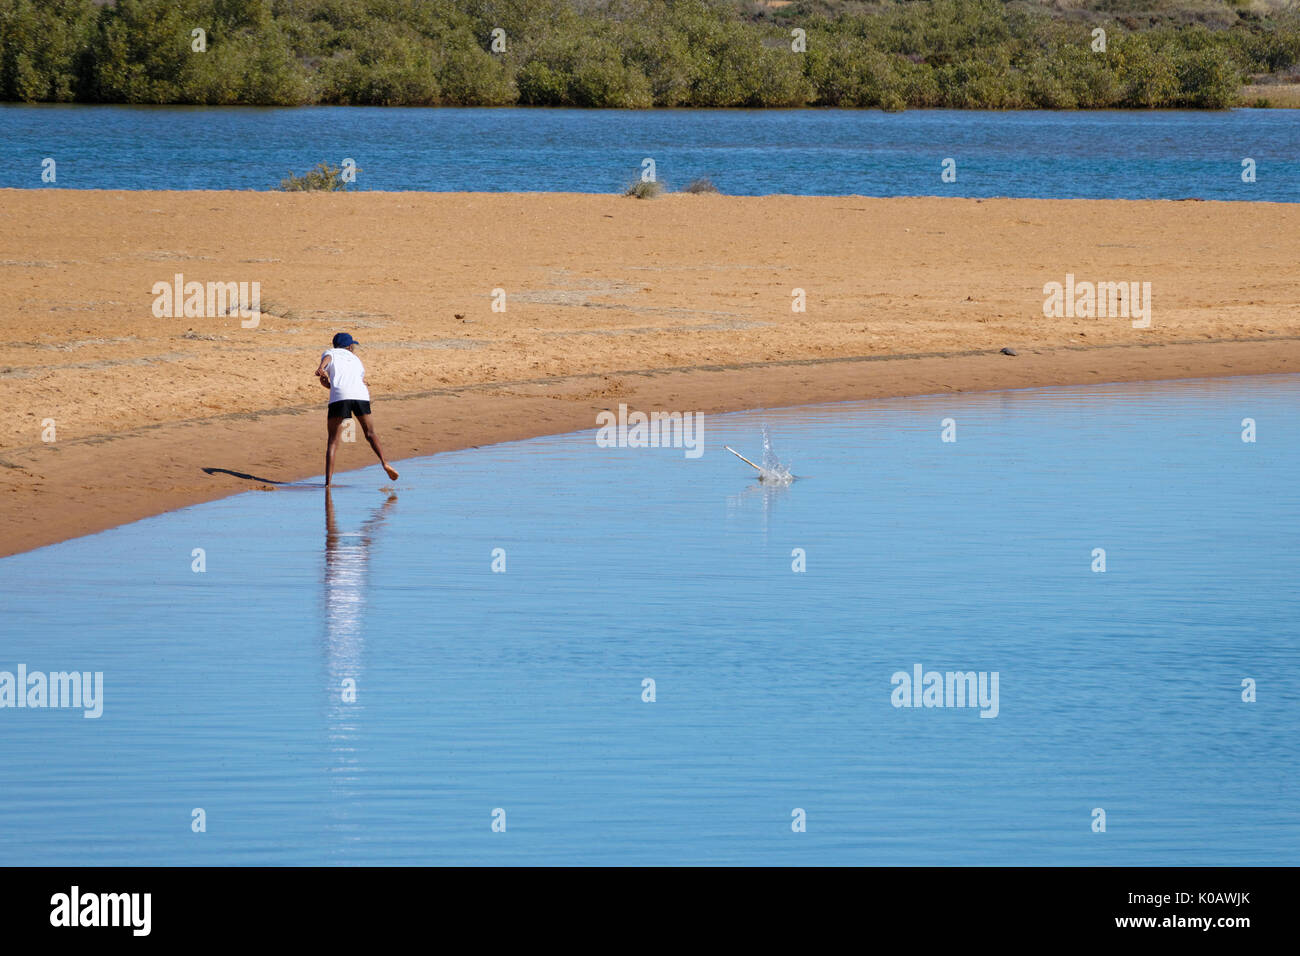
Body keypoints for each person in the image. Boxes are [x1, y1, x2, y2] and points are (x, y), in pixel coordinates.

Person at [314, 332, 399, 485]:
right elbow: (354, 383)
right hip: (361, 395)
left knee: (333, 441)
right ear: (350, 346)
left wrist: (321, 368)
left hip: (340, 397)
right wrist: (327, 381)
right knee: (370, 433)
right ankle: (385, 462)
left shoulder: (330, 352)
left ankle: (328, 483)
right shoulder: (356, 360)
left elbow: (329, 360)